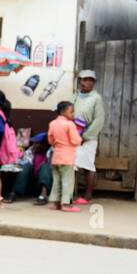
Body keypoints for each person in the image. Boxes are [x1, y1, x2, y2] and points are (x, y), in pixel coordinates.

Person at [72, 69, 104, 205]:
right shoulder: (75, 96)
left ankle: (88, 194)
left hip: (88, 137)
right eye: (85, 80)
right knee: (71, 164)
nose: (88, 82)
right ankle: (70, 193)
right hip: (73, 135)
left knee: (88, 165)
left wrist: (85, 136)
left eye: (91, 80)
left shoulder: (96, 98)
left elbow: (99, 119)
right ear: (80, 81)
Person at [47, 100, 82, 212]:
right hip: (67, 158)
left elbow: (50, 140)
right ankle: (66, 204)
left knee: (56, 180)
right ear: (63, 112)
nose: (73, 114)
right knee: (67, 181)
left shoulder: (52, 123)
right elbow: (75, 140)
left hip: (56, 157)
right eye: (71, 112)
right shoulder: (70, 124)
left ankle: (55, 203)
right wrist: (80, 139)